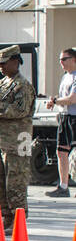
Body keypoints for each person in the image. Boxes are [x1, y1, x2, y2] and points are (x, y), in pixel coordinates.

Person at [0, 45, 36, 233]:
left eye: (4, 64)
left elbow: (19, 110)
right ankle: (6, 216)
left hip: (17, 140)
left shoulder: (23, 85)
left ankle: (18, 218)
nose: (1, 67)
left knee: (16, 181)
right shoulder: (1, 83)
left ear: (15, 62)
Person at [45, 47, 76, 197]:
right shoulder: (66, 76)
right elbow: (64, 96)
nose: (61, 62)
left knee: (74, 154)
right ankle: (63, 186)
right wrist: (54, 100)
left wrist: (56, 101)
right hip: (64, 116)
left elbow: (72, 99)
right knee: (61, 151)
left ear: (74, 59)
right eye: (60, 60)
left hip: (74, 117)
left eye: (64, 59)